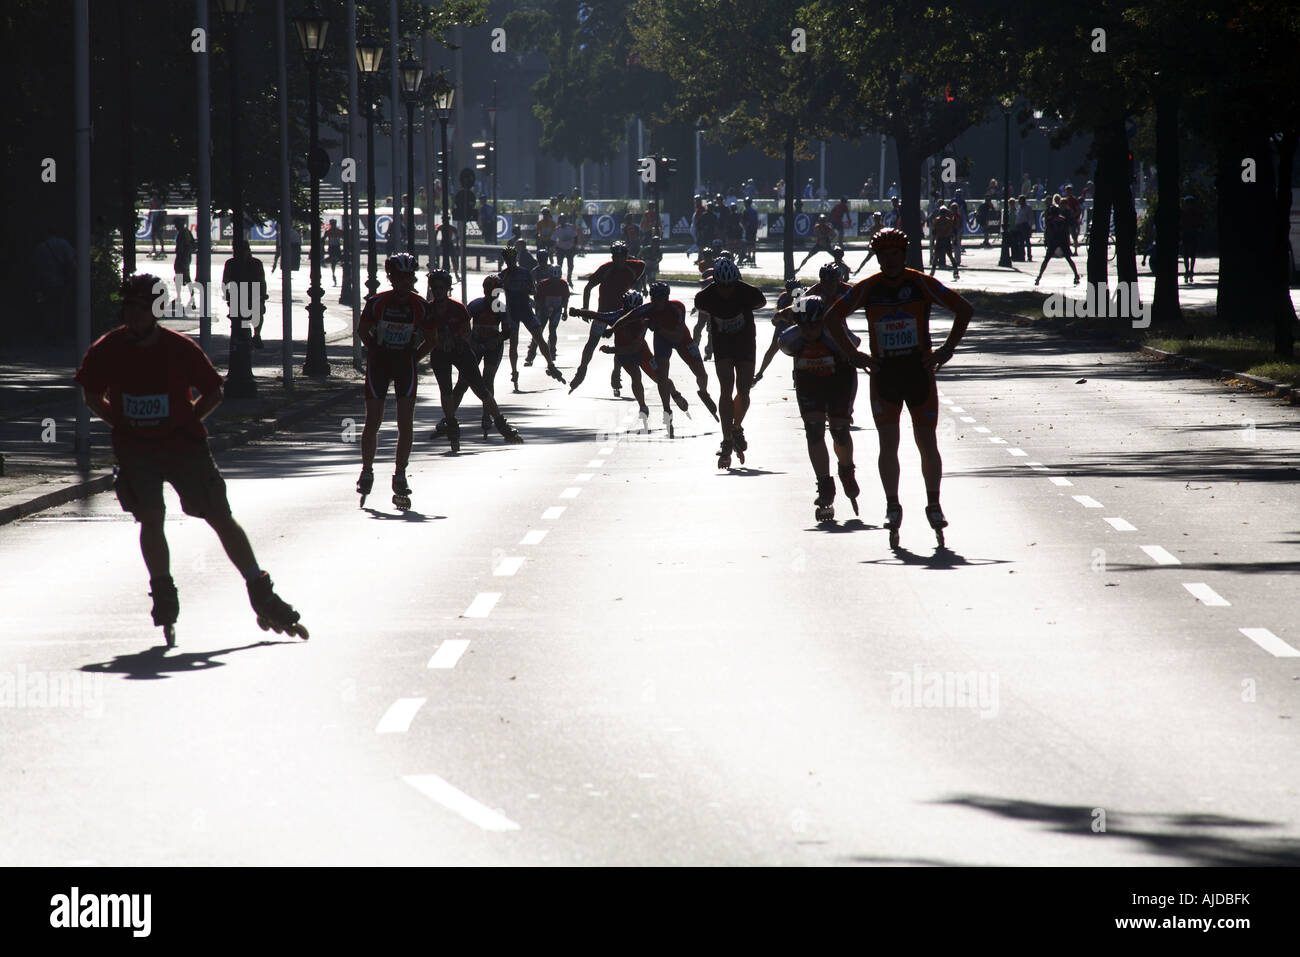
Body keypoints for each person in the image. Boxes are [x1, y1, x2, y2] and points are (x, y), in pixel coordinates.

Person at [74, 273, 306, 644]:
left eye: (139, 307)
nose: (131, 315)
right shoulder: (110, 348)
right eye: (127, 307)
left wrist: (187, 421)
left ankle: (260, 590)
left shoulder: (179, 348)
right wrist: (120, 422)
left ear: (155, 310)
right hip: (137, 449)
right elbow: (90, 394)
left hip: (184, 446)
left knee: (218, 516)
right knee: (150, 518)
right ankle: (163, 591)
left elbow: (214, 392)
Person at [822, 227, 973, 545]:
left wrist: (947, 349)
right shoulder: (868, 288)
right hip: (885, 376)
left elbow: (964, 308)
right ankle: (893, 505)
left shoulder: (919, 282)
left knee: (927, 442)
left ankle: (933, 504)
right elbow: (832, 317)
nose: (889, 261)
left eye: (895, 254)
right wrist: (853, 354)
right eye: (882, 255)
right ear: (875, 257)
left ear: (904, 255)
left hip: (918, 374)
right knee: (888, 444)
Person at [771, 294, 863, 521]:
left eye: (815, 325)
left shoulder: (835, 336)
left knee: (840, 432)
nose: (809, 331)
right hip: (810, 381)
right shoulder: (788, 339)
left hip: (840, 379)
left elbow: (856, 346)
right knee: (814, 431)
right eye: (804, 325)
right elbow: (788, 347)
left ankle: (846, 470)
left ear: (824, 321)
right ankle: (824, 484)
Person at [357, 254, 435, 507]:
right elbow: (361, 330)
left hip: (405, 365)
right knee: (373, 420)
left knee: (405, 422)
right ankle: (367, 470)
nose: (405, 282)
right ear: (391, 278)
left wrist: (414, 357)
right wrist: (374, 350)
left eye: (409, 277)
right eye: (400, 277)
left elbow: (432, 339)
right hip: (379, 364)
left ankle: (400, 473)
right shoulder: (377, 302)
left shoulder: (420, 305)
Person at [424, 268, 526, 452]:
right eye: (435, 287)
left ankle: (499, 424)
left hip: (466, 349)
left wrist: (493, 340)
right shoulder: (432, 308)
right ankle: (449, 421)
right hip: (451, 350)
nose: (438, 291)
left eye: (441, 287)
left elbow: (472, 331)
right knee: (453, 388)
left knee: (483, 385)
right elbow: (423, 333)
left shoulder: (466, 308)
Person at [579, 289, 690, 434]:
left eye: (634, 311)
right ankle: (643, 405)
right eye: (627, 310)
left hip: (640, 351)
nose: (629, 315)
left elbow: (634, 346)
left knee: (660, 378)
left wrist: (612, 350)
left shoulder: (644, 319)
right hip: (625, 354)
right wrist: (578, 312)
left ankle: (675, 394)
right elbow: (597, 315)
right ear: (623, 307)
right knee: (635, 376)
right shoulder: (616, 316)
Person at [695, 257, 765, 468]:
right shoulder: (705, 297)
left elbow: (761, 303)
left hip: (744, 344)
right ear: (715, 282)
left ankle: (736, 427)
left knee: (743, 390)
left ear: (737, 281)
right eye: (722, 287)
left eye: (730, 286)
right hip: (723, 344)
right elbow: (701, 309)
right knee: (726, 388)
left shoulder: (747, 292)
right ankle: (726, 440)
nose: (726, 290)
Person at [570, 241, 645, 397]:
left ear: (626, 257)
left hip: (623, 314)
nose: (617, 261)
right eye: (615, 257)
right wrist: (584, 308)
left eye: (621, 257)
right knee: (592, 341)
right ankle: (582, 369)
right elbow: (588, 287)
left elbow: (643, 265)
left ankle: (616, 373)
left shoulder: (634, 267)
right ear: (611, 257)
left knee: (620, 345)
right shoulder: (606, 269)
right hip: (603, 313)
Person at [640, 280, 717, 425]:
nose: (657, 303)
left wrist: (657, 328)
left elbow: (677, 336)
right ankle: (667, 409)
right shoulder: (648, 309)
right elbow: (627, 317)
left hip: (682, 339)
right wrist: (613, 329)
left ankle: (704, 392)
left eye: (660, 299)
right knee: (662, 377)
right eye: (654, 299)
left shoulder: (677, 307)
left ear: (666, 299)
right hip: (662, 341)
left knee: (701, 374)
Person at [495, 244, 564, 391]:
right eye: (508, 260)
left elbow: (534, 291)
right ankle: (514, 371)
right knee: (514, 343)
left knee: (539, 337)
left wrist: (528, 290)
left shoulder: (524, 273)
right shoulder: (502, 275)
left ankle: (550, 364)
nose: (510, 263)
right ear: (505, 261)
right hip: (512, 312)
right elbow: (495, 297)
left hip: (525, 310)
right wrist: (500, 314)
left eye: (512, 259)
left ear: (516, 258)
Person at [221, 235, 269, 350]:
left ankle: (256, 335)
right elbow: (225, 280)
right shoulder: (231, 263)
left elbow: (262, 279)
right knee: (237, 318)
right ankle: (244, 338)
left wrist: (263, 294)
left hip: (253, 293)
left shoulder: (255, 263)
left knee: (257, 313)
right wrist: (227, 294)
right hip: (237, 294)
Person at [526, 262, 570, 366]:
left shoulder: (563, 284)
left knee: (553, 330)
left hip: (556, 310)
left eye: (557, 279)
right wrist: (541, 311)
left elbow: (566, 299)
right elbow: (537, 300)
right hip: (543, 309)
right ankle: (531, 355)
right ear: (549, 276)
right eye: (553, 279)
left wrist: (565, 311)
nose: (555, 282)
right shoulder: (542, 284)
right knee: (538, 333)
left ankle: (552, 352)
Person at [1034, 196, 1081, 285]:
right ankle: (1076, 275)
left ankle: (1039, 277)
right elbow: (1069, 226)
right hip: (1061, 239)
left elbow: (1049, 229)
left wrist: (1047, 240)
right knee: (1067, 258)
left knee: (1047, 259)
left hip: (1055, 240)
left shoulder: (1052, 218)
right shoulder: (1063, 217)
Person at [929, 204, 959, 280]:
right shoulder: (946, 221)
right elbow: (953, 231)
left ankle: (933, 272)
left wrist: (932, 241)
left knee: (941, 256)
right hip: (943, 239)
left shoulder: (940, 220)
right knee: (946, 256)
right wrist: (954, 239)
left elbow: (934, 232)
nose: (943, 214)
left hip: (943, 239)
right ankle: (955, 271)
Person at [173, 222, 196, 314]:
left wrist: (182, 256)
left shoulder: (182, 233)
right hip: (185, 258)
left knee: (183, 277)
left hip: (182, 258)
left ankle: (189, 296)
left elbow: (181, 247)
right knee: (184, 277)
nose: (176, 227)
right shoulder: (187, 232)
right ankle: (188, 295)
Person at [1180, 194, 1202, 283]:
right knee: (1190, 254)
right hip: (1191, 234)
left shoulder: (1184, 213)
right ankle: (1190, 271)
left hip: (1188, 234)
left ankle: (1188, 271)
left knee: (1188, 254)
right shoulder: (1195, 213)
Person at [553, 214, 580, 284]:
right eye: (560, 220)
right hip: (560, 248)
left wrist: (575, 246)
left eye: (563, 220)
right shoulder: (557, 229)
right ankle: (559, 277)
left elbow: (575, 236)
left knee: (570, 264)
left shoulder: (570, 228)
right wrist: (554, 248)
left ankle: (569, 277)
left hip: (570, 248)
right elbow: (553, 239)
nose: (562, 221)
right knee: (559, 264)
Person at [1015, 195, 1034, 262]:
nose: (1019, 202)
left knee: (1027, 242)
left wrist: (1030, 227)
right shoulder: (1019, 208)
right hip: (1019, 226)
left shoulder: (1028, 208)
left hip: (1025, 225)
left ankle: (1029, 256)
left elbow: (1030, 218)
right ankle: (1022, 256)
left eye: (1021, 200)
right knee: (1021, 242)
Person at [741, 197, 759, 266]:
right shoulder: (754, 211)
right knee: (753, 243)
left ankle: (749, 256)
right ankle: (753, 256)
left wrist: (744, 227)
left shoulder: (745, 211)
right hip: (754, 229)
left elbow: (744, 221)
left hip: (748, 229)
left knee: (748, 243)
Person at [325, 218, 343, 285]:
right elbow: (323, 240)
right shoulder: (329, 232)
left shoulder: (338, 231)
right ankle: (334, 276)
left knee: (337, 262)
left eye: (334, 224)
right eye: (332, 224)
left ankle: (336, 275)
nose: (333, 225)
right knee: (333, 263)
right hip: (332, 248)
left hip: (336, 247)